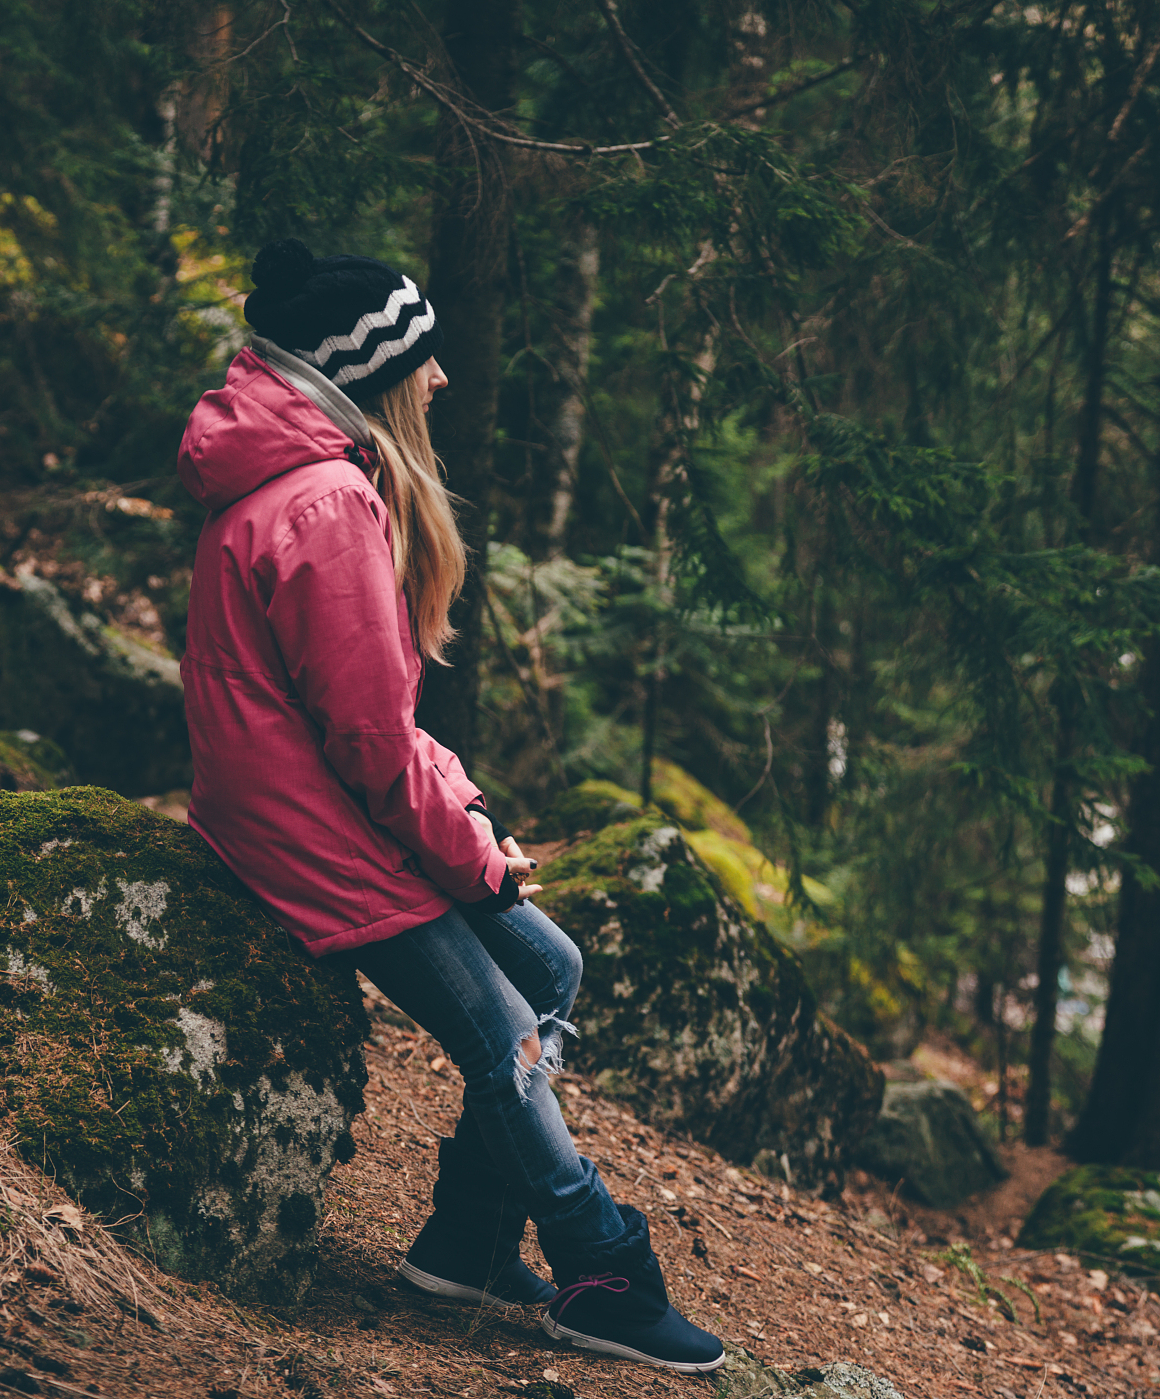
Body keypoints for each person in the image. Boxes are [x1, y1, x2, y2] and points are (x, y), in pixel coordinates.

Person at [174, 238, 724, 1375]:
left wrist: (469, 822)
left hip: (317, 809)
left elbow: (367, 726)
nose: (439, 379)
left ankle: (467, 1241)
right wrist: (472, 860)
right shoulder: (327, 504)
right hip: (312, 836)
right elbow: (370, 742)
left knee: (553, 966)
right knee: (512, 1028)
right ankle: (597, 1265)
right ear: (368, 371)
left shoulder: (309, 484)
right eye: (422, 359)